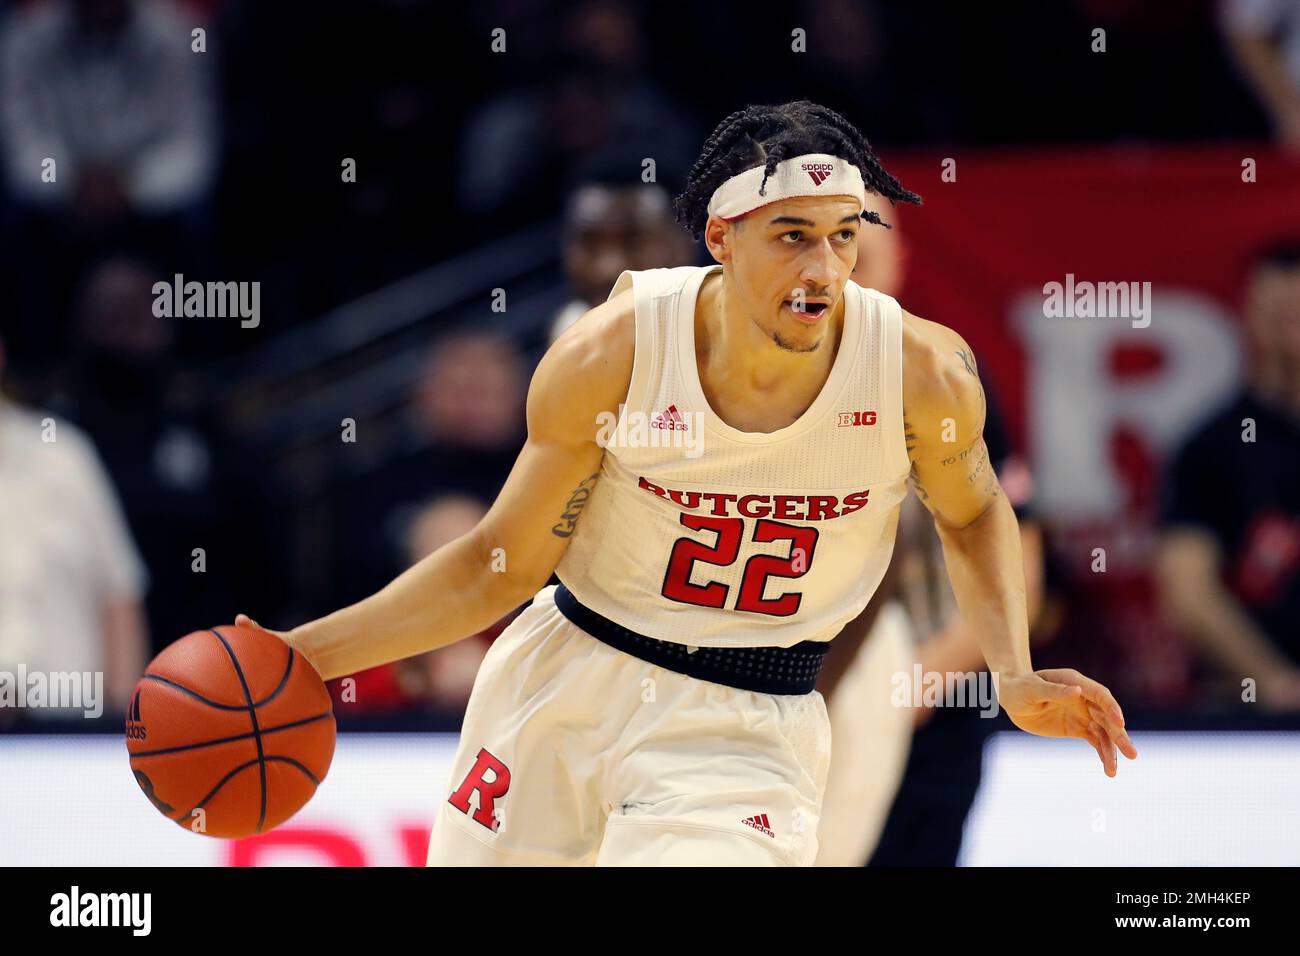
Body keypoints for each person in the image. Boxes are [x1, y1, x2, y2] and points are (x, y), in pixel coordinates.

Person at [240, 101, 1135, 866]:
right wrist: (306, 658)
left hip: (746, 719)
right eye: (792, 237)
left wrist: (1011, 671)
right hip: (569, 678)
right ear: (720, 236)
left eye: (843, 238)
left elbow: (977, 511)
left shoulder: (922, 371)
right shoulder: (613, 352)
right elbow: (496, 565)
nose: (822, 270)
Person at [1156, 239, 1300, 711]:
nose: (1289, 335)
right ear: (1248, 318)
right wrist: (1272, 682)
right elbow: (1188, 589)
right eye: (1277, 315)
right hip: (1254, 718)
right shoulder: (1213, 447)